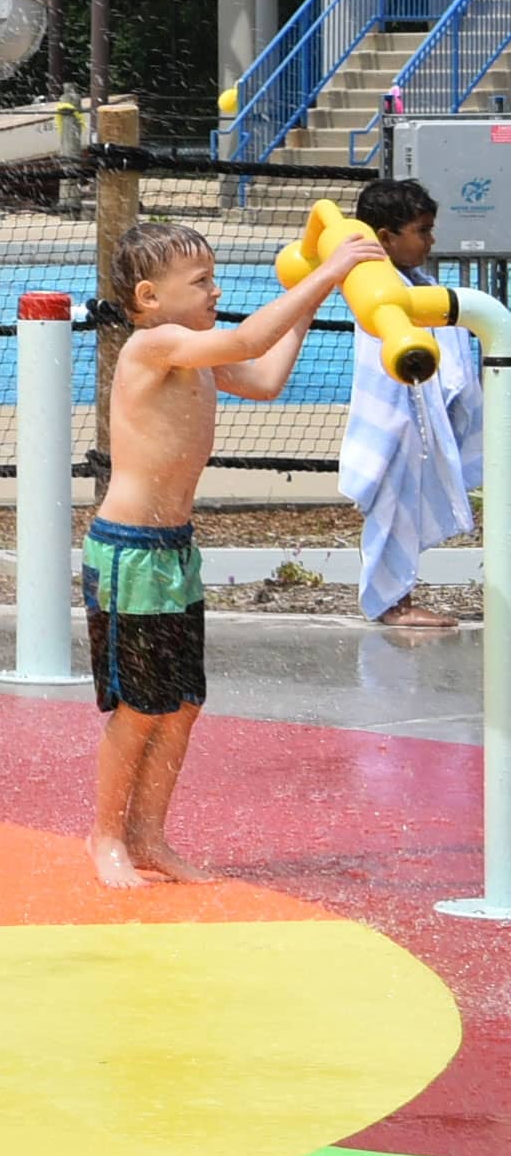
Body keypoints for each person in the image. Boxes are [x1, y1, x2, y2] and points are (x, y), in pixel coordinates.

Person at [94, 215, 380, 889]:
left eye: (215, 278)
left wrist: (312, 300)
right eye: (201, 281)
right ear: (149, 297)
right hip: (128, 552)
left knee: (182, 704)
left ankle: (149, 836)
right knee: (138, 708)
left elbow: (267, 375)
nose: (216, 290)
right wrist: (324, 275)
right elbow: (251, 336)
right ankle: (104, 835)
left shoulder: (196, 357)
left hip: (173, 551)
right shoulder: (155, 347)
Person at [334, 174, 481, 640]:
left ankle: (399, 597)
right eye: (421, 231)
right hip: (397, 416)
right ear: (385, 238)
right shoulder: (378, 287)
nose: (430, 241)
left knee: (406, 506)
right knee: (393, 506)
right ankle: (393, 602)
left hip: (414, 412)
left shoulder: (412, 282)